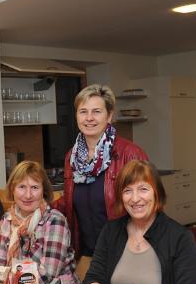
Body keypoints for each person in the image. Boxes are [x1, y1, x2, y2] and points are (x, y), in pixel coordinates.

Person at [81, 160, 196, 284]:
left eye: (143, 189)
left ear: (157, 192)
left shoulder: (180, 237)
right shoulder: (110, 231)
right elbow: (93, 276)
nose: (135, 199)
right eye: (127, 191)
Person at [53, 84, 148, 268]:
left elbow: (148, 207)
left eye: (96, 111)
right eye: (83, 111)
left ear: (109, 115)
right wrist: (39, 209)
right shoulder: (72, 157)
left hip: (126, 254)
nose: (89, 118)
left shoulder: (130, 154)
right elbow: (69, 201)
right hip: (88, 256)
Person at [0, 161, 78, 284]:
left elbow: (47, 275)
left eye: (35, 187)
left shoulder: (55, 221)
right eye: (22, 187)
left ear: (44, 191)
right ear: (12, 189)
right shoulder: (7, 219)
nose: (28, 195)